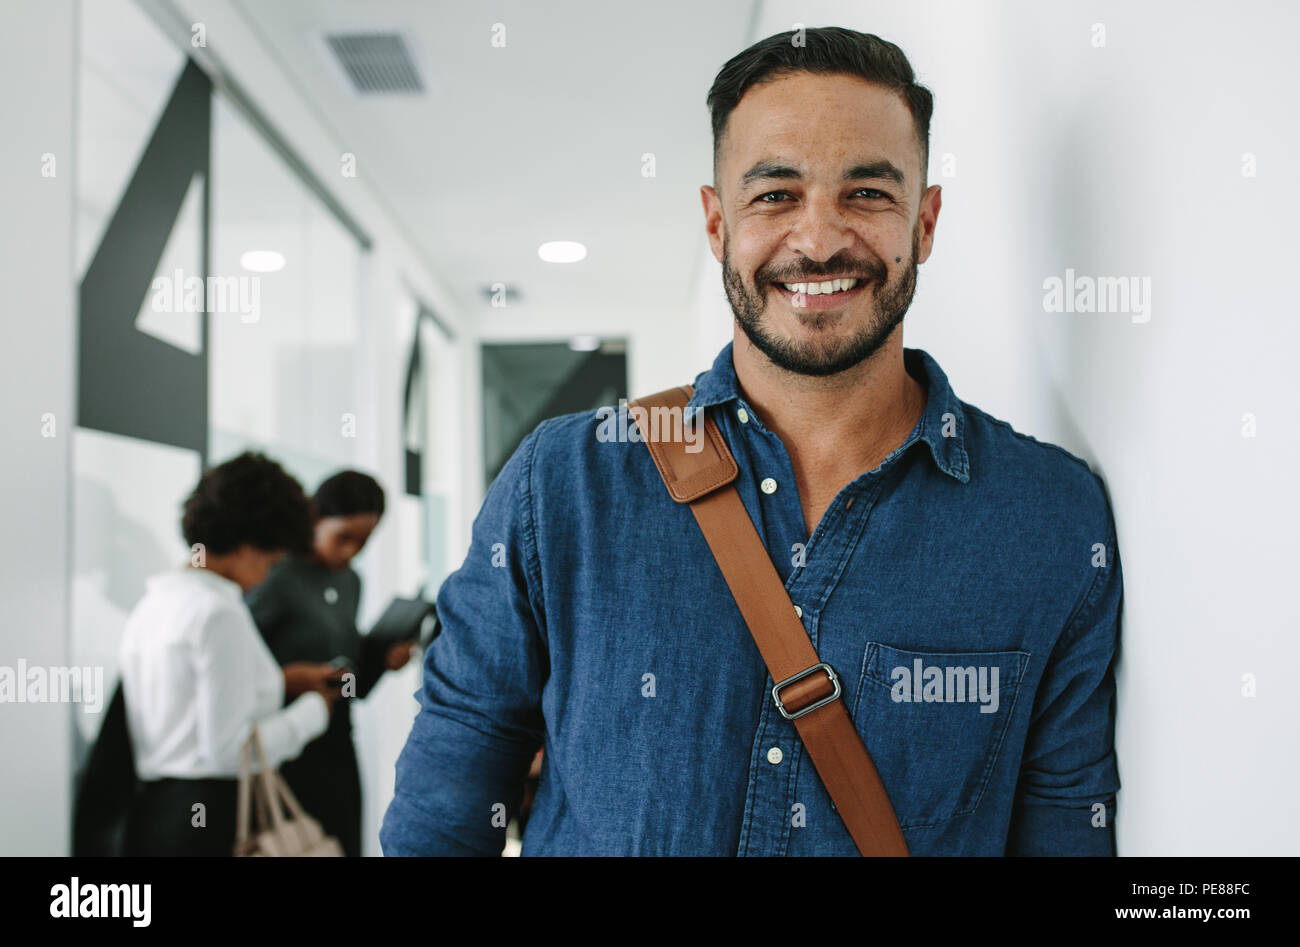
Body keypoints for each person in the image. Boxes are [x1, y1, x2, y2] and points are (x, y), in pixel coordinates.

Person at [381, 27, 1122, 857]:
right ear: (715, 222)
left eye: (868, 193)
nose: (818, 239)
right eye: (775, 195)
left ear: (925, 221)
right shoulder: (562, 485)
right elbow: (444, 808)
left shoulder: (1049, 517)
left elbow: (1066, 831)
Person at [118, 452, 343, 857]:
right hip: (212, 818)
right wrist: (314, 712)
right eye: (272, 559)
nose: (269, 572)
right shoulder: (219, 614)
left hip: (155, 816)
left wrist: (282, 681)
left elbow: (182, 708)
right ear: (247, 545)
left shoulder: (153, 605)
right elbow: (227, 753)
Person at [245, 470, 413, 857]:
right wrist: (286, 681)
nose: (351, 551)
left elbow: (353, 679)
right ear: (315, 519)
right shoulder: (276, 574)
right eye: (343, 537)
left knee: (340, 847)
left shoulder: (351, 582)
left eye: (363, 541)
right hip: (286, 745)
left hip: (336, 742)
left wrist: (380, 662)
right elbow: (243, 667)